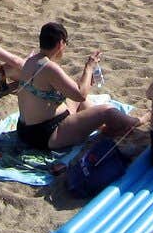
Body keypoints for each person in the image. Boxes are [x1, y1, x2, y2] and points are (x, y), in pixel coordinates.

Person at [15, 21, 141, 151]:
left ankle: (100, 126)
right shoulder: (50, 67)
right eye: (66, 44)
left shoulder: (31, 61)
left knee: (76, 96)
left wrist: (85, 83)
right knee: (107, 110)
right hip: (45, 134)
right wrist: (89, 67)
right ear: (60, 44)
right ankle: (136, 121)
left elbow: (73, 92)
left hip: (25, 129)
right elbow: (80, 95)